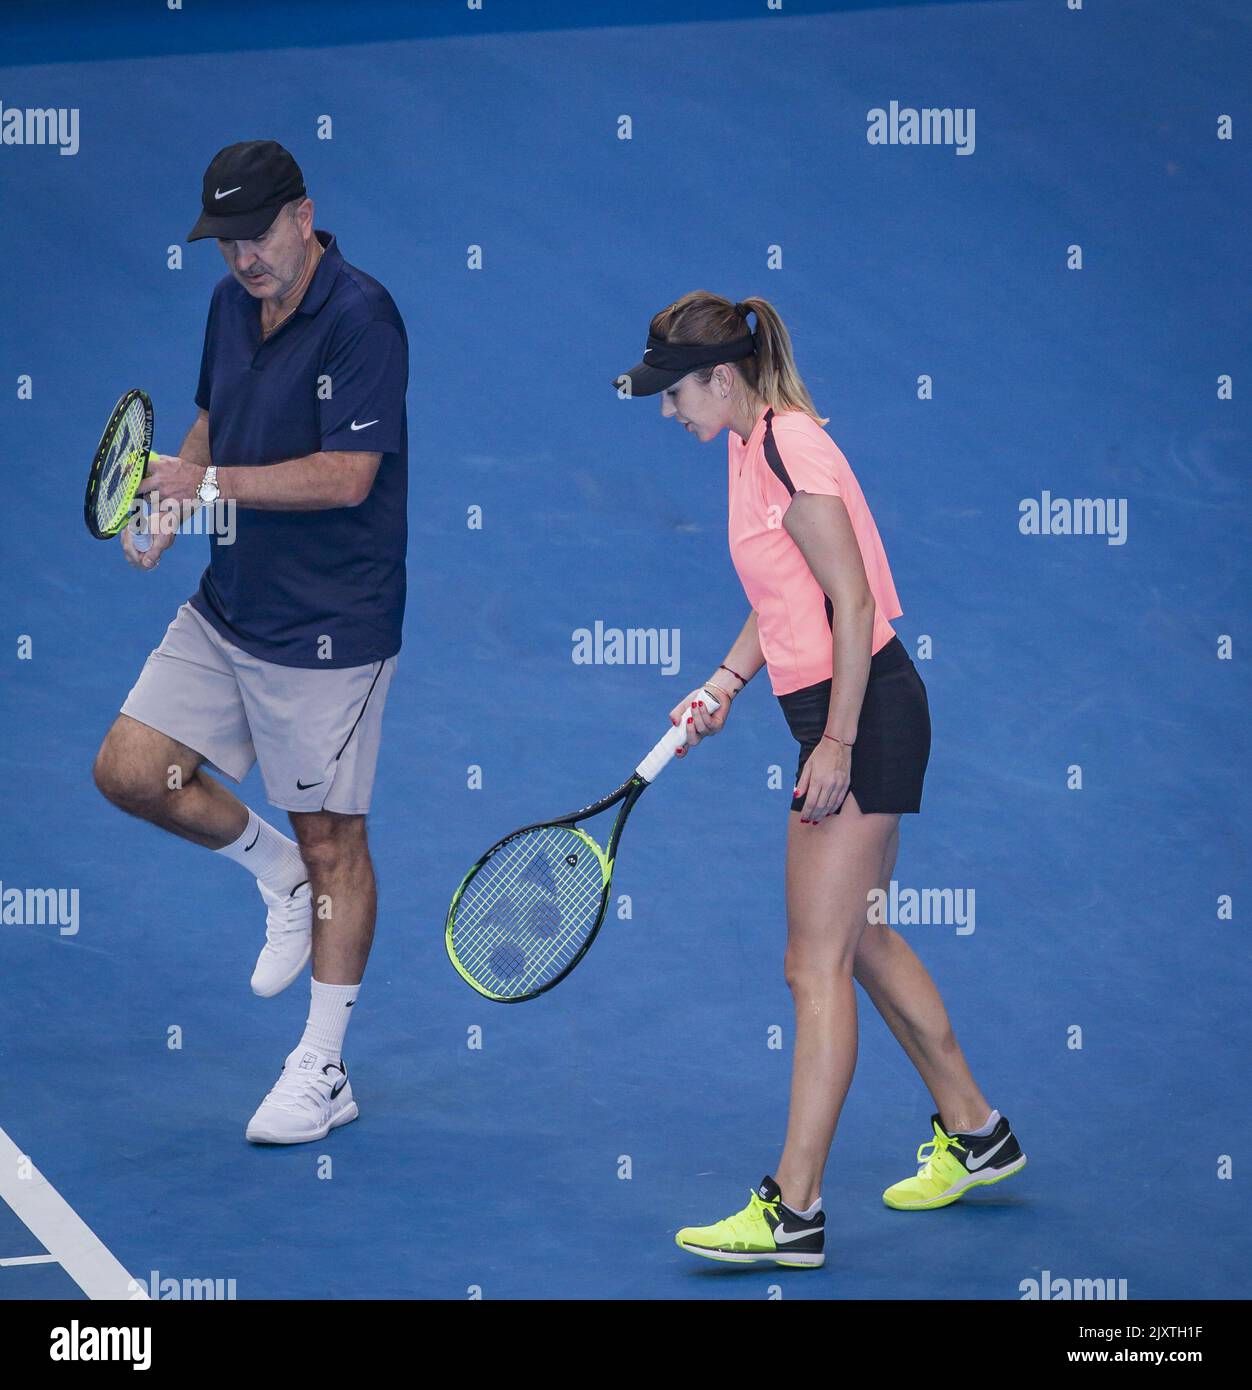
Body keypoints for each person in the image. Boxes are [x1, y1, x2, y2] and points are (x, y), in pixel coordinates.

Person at [613, 292, 1025, 1268]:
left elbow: (853, 598)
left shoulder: (791, 447)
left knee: (812, 964)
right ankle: (976, 1132)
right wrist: (723, 682)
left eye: (675, 393)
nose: (667, 411)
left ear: (721, 377)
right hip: (845, 711)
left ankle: (792, 1209)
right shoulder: (743, 446)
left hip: (863, 714)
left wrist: (833, 744)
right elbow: (784, 589)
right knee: (862, 938)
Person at [92, 140, 408, 1144]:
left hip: (329, 633)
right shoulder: (231, 304)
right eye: (225, 241)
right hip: (229, 601)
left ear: (303, 217)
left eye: (256, 234)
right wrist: (176, 502)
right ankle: (275, 875)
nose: (241, 258)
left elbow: (349, 476)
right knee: (132, 769)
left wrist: (211, 487)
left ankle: (323, 1067)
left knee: (336, 842)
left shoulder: (363, 319)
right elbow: (209, 419)